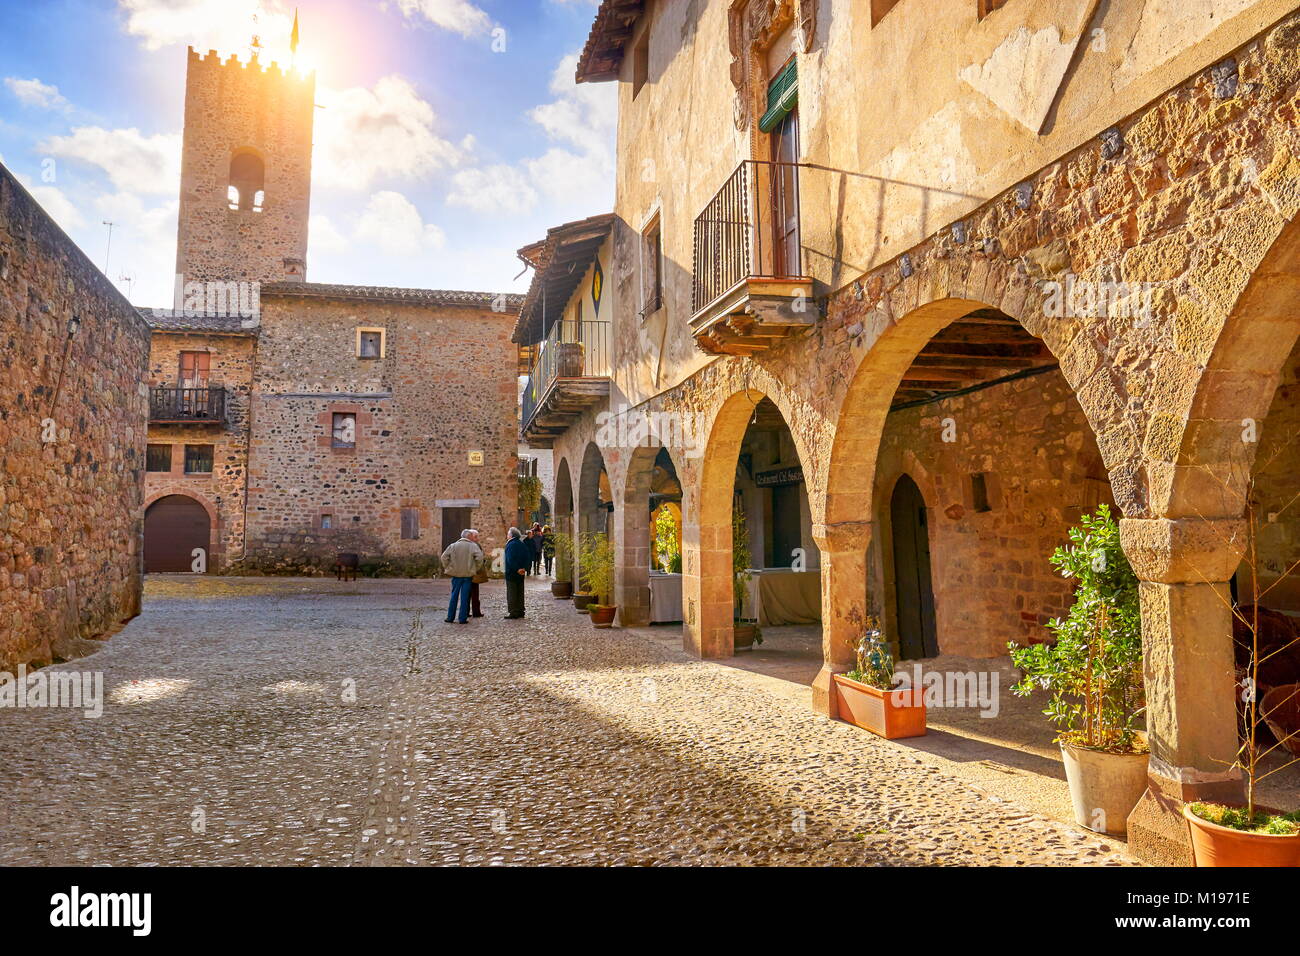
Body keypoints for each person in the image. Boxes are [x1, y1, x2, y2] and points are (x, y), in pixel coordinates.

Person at [440, 528, 484, 624]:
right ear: (469, 537)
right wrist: (475, 568)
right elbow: (480, 558)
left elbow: (444, 557)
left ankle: (450, 617)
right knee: (465, 597)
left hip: (456, 574)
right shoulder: (473, 546)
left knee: (454, 596)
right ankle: (462, 619)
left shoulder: (453, 546)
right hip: (468, 575)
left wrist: (448, 567)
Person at [503, 527, 530, 619]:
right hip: (521, 572)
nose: (507, 535)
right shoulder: (521, 544)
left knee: (512, 592)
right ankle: (520, 610)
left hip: (512, 572)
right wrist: (524, 568)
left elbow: (510, 559)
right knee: (520, 592)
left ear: (511, 535)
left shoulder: (510, 545)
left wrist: (517, 569)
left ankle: (513, 611)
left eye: (508, 534)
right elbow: (527, 556)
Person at [468, 529, 488, 618]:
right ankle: (475, 612)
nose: (477, 539)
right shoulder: (473, 546)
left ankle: (471, 612)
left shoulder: (474, 545)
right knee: (472, 594)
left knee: (471, 594)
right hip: (473, 573)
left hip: (471, 572)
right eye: (476, 537)